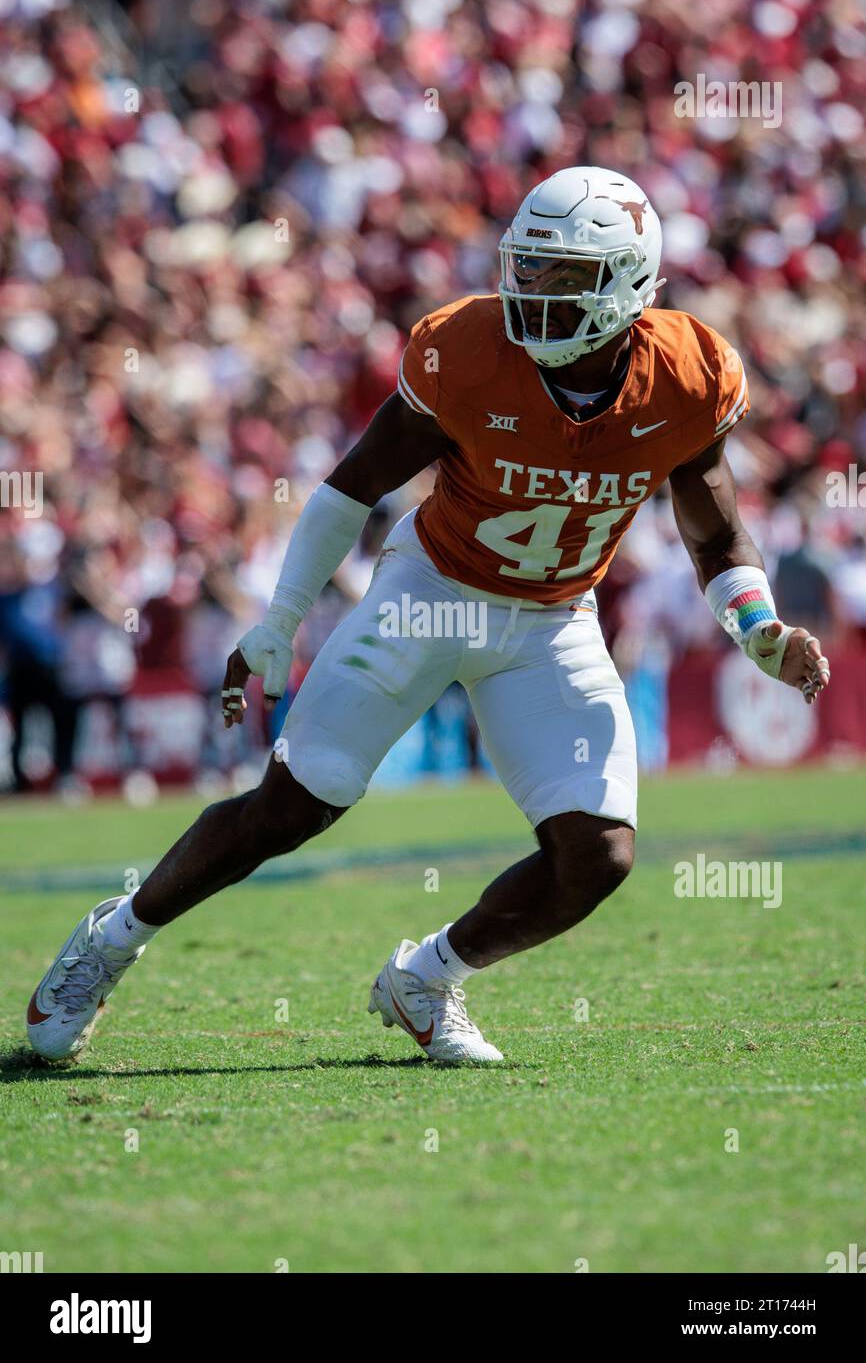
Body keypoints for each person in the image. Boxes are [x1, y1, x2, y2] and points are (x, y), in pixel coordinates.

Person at [26, 168, 830, 1066]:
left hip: (553, 619)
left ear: (631, 286)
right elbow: (350, 487)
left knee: (595, 857)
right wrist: (281, 617)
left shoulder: (690, 375)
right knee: (295, 803)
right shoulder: (468, 348)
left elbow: (717, 537)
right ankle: (110, 939)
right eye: (528, 268)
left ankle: (427, 977)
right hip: (432, 592)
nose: (534, 295)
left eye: (565, 278)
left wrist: (759, 633)